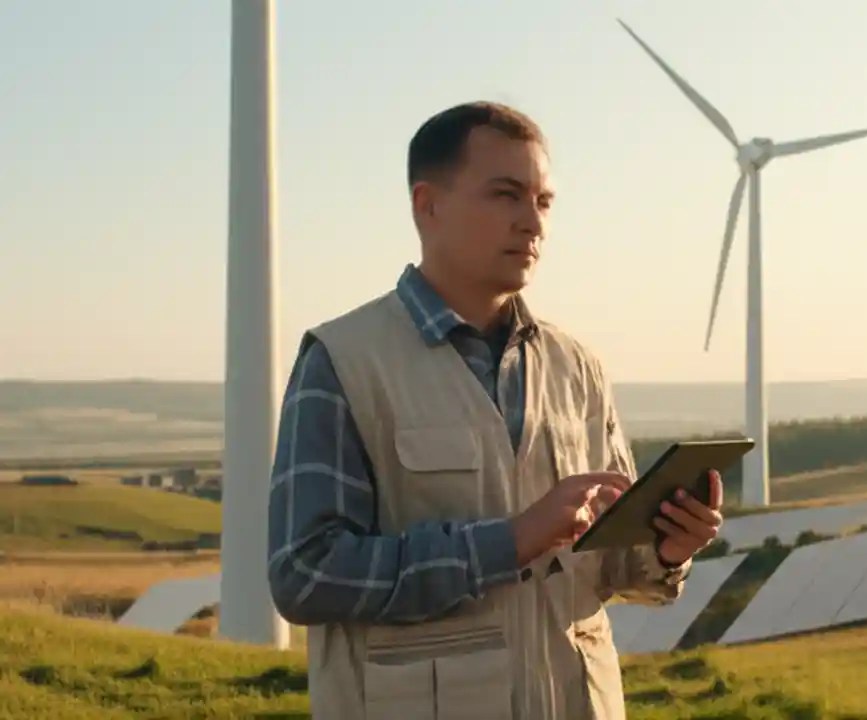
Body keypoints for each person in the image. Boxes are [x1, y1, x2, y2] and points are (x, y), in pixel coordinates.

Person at [266, 101, 725, 720]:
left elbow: (613, 567)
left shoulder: (578, 367)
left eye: (544, 202)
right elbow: (306, 573)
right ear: (426, 205)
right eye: (506, 195)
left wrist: (669, 548)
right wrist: (505, 543)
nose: (532, 223)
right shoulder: (343, 361)